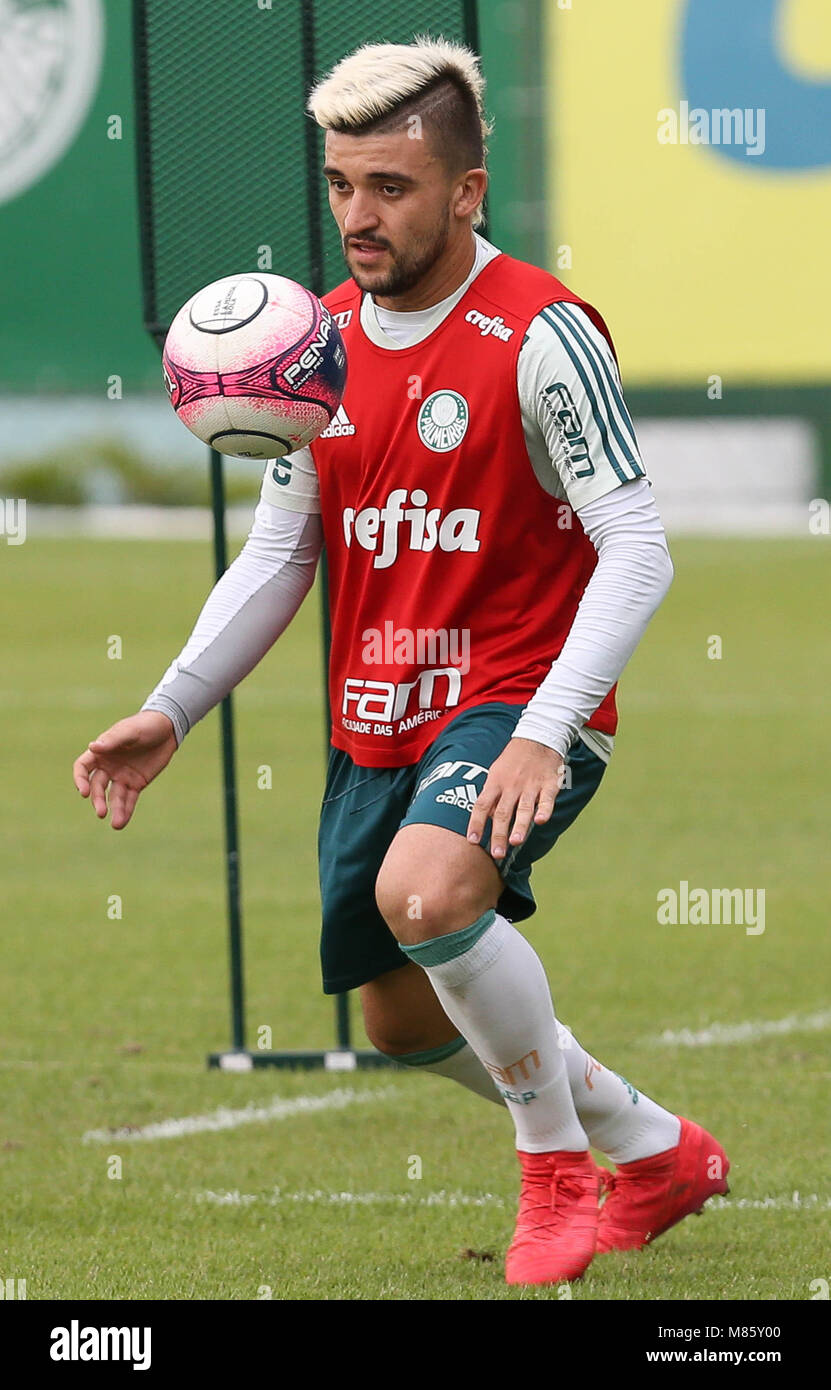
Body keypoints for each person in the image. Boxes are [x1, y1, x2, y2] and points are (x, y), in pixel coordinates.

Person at [73, 36, 729, 1286]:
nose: (357, 217)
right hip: (378, 717)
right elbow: (281, 552)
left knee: (426, 896)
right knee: (402, 1020)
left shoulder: (541, 331)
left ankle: (556, 1171)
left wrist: (546, 726)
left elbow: (638, 548)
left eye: (391, 187)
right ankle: (652, 1146)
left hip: (520, 697)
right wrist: (172, 707)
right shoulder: (308, 344)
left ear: (467, 189)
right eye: (338, 186)